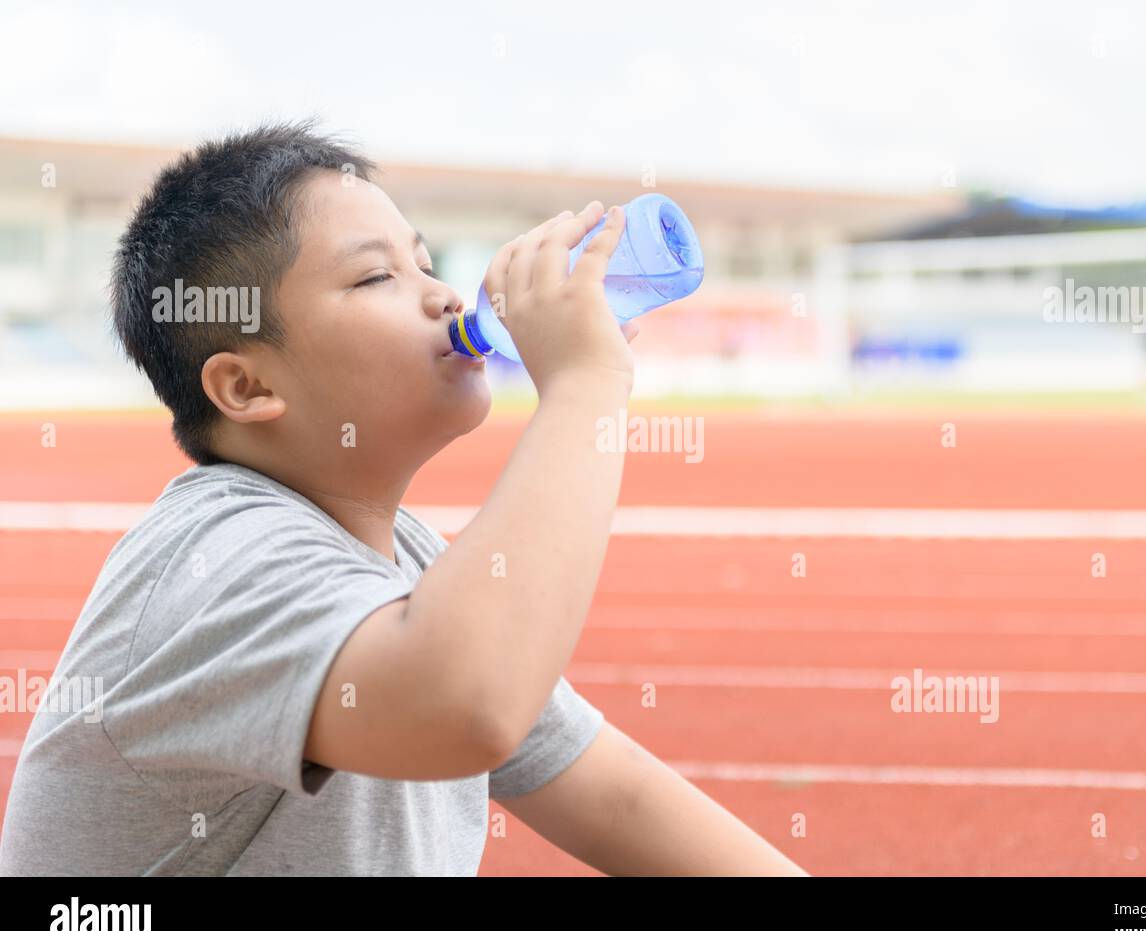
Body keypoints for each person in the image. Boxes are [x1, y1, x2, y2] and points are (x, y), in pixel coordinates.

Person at [0, 121, 807, 876]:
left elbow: (614, 792)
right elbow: (469, 702)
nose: (445, 297)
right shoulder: (220, 557)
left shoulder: (413, 564)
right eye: (377, 275)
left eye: (425, 262)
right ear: (246, 385)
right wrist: (586, 386)